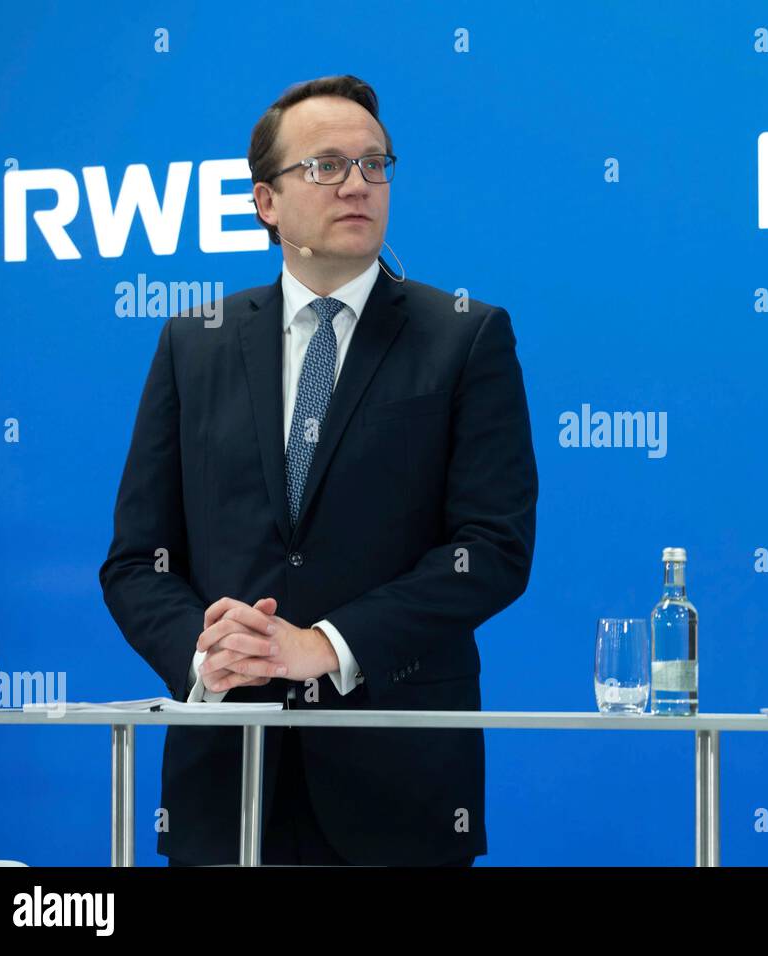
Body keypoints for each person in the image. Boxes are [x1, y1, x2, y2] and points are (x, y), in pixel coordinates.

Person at [99, 75, 538, 866]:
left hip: (399, 787)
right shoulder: (193, 342)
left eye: (376, 164)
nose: (359, 184)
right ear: (266, 202)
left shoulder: (464, 338)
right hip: (224, 790)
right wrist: (208, 656)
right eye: (327, 166)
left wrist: (327, 645)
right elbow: (137, 560)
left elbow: (493, 549)